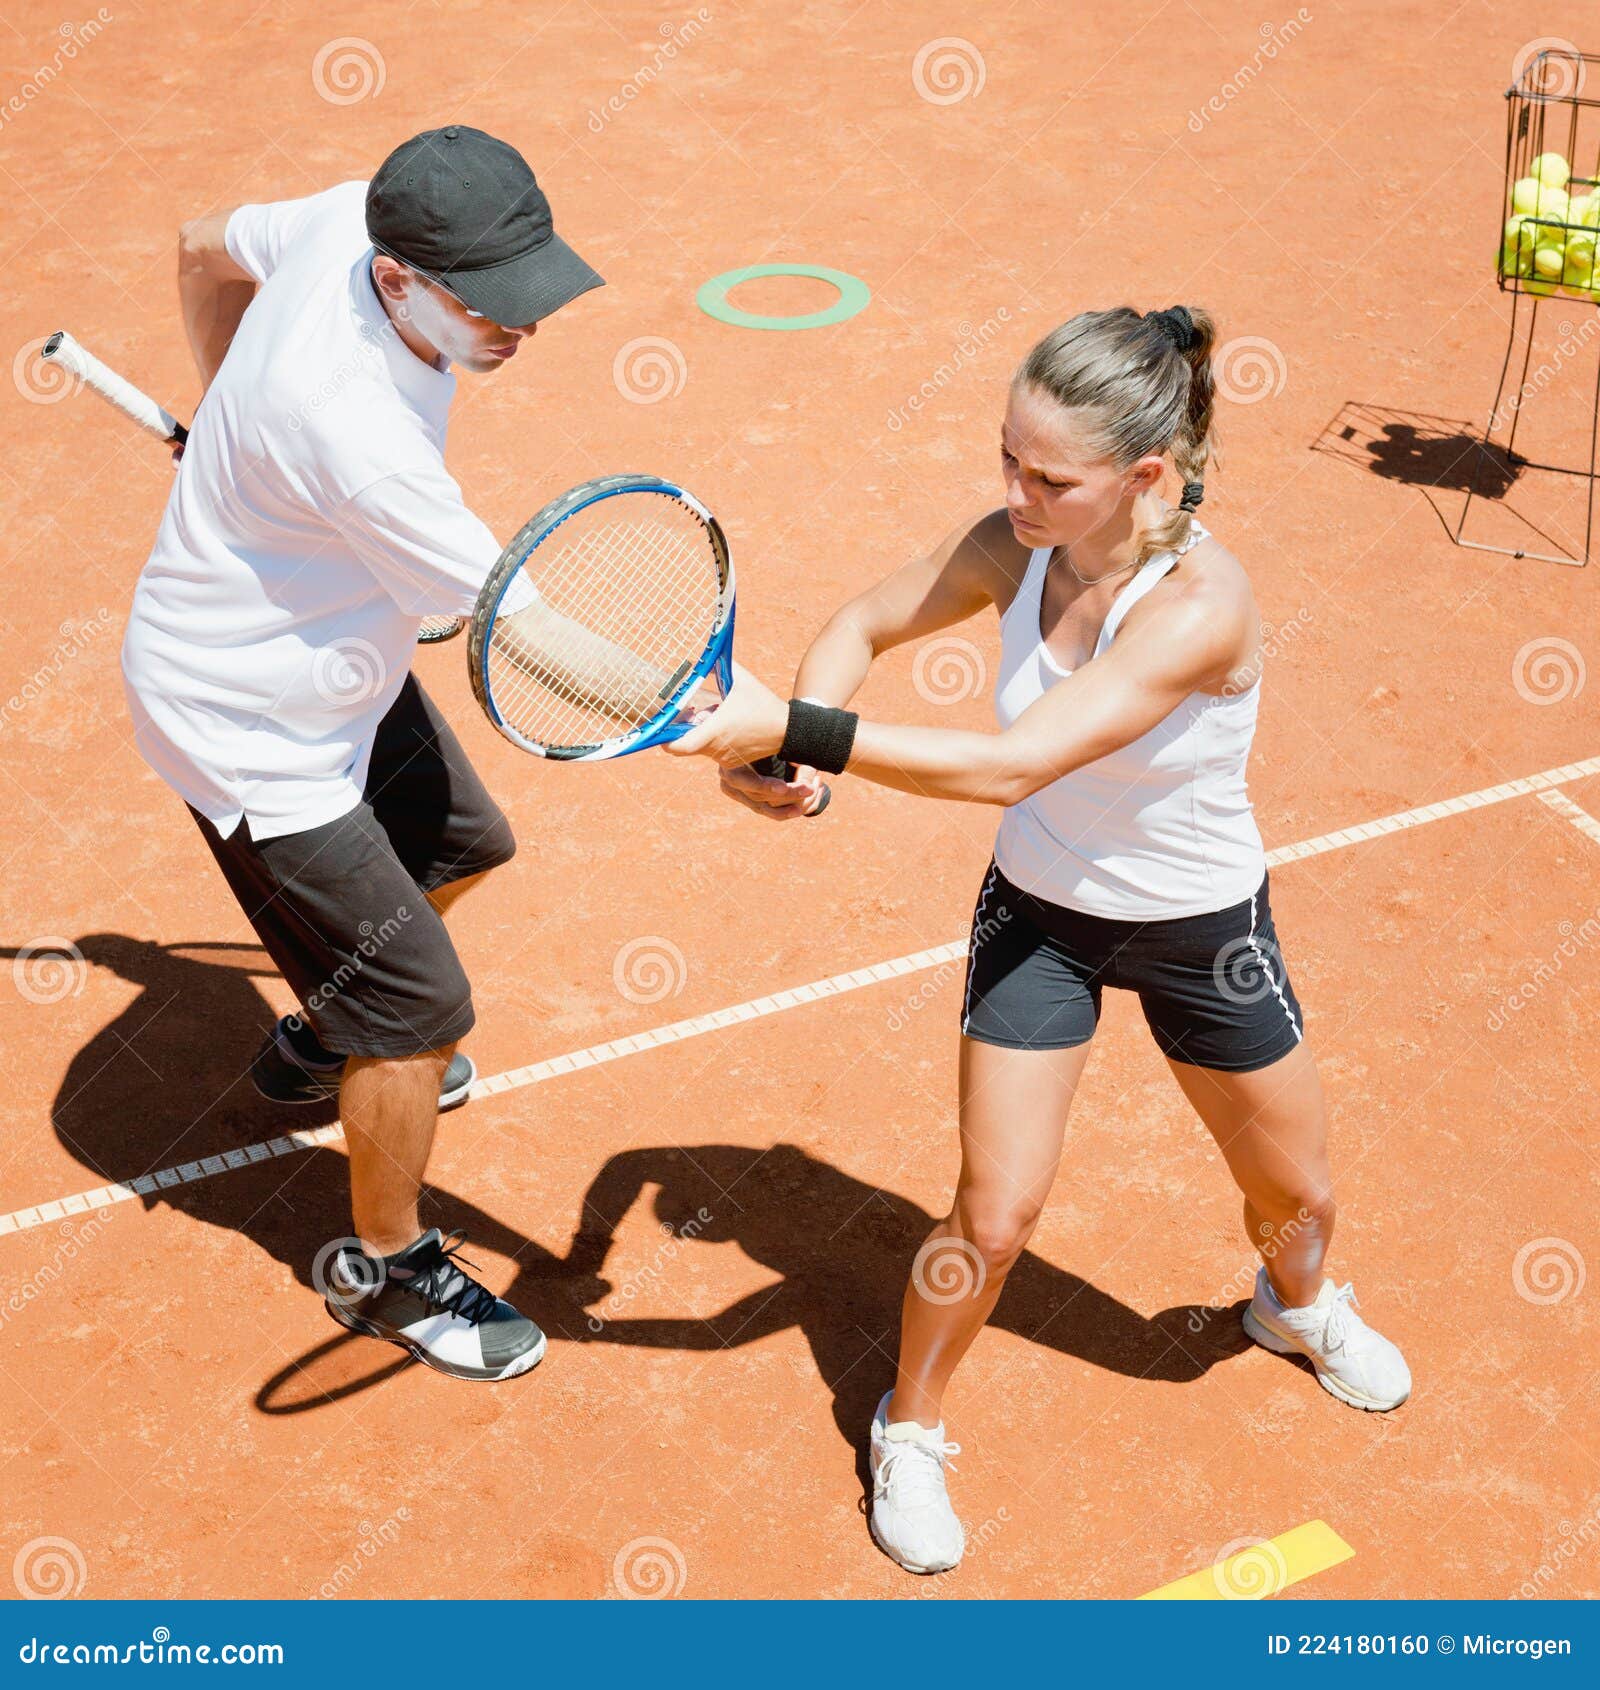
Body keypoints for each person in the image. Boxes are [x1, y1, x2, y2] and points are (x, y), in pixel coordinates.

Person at [668, 305, 1412, 1572]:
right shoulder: (1013, 543)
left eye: (1047, 477)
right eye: (1006, 456)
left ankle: (1296, 1308)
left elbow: (1012, 761)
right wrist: (796, 737)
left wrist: (788, 723)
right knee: (994, 1214)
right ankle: (909, 1427)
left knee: (1296, 1194)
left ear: (1147, 478)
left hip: (1198, 928)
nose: (1013, 491)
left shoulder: (1200, 607)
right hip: (1039, 923)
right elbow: (861, 624)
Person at [121, 126, 604, 1382]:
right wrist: (737, 734)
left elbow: (197, 244)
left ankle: (321, 1029)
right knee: (423, 1009)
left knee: (463, 843)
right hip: (243, 720)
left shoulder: (350, 216)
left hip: (338, 661)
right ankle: (385, 1265)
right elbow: (531, 636)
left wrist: (220, 394)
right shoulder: (357, 437)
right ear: (399, 281)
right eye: (492, 307)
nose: (522, 327)